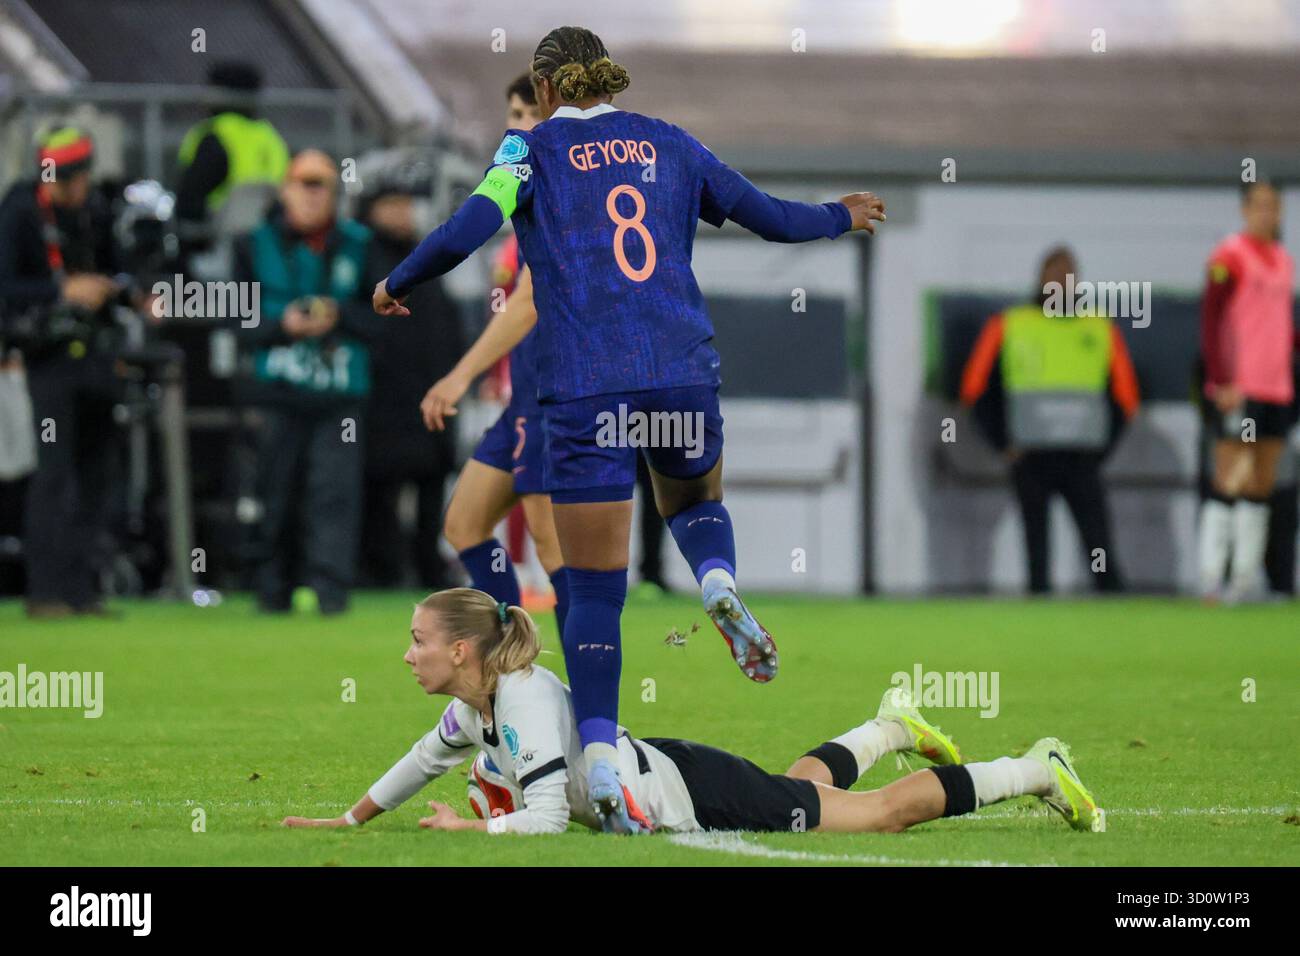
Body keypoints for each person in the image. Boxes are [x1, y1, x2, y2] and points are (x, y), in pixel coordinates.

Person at [373, 26, 885, 832]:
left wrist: (399, 278)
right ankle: (716, 579)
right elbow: (770, 216)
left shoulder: (527, 152)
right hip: (682, 370)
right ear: (606, 81)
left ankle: (602, 759)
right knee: (688, 503)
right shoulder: (671, 143)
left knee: (596, 587)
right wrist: (838, 215)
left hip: (586, 389)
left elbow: (472, 226)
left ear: (544, 90)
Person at [281, 588, 1105, 836]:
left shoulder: (523, 697)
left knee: (880, 816)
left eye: (417, 640)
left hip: (690, 793)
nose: (407, 653)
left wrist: (476, 832)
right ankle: (892, 726)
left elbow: (541, 816)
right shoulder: (480, 703)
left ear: (462, 651)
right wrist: (346, 823)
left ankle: (1035, 768)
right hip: (672, 774)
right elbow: (421, 761)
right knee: (793, 790)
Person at [419, 74, 570, 635]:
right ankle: (513, 655)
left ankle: (593, 706)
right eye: (513, 114)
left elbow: (529, 304)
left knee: (554, 548)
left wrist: (460, 375)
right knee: (464, 524)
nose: (521, 126)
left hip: (557, 397)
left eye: (532, 114)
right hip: (523, 394)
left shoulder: (560, 204)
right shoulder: (519, 216)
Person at [235, 149, 388, 614]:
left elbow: (386, 318)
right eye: (304, 183)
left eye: (321, 184)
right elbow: (234, 318)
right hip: (278, 391)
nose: (312, 194)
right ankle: (271, 589)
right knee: (273, 491)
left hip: (340, 393)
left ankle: (330, 593)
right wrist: (284, 325)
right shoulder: (251, 243)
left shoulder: (362, 244)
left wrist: (340, 316)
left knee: (335, 495)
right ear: (285, 189)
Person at [0, 126, 128, 617]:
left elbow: (119, 270)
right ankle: (45, 591)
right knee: (54, 474)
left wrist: (117, 288)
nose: (68, 191)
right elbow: (7, 288)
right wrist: (63, 292)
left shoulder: (96, 210)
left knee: (96, 472)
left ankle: (82, 590)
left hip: (96, 352)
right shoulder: (18, 211)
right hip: (47, 356)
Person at [960, 246, 1140, 594]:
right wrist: (1003, 444)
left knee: (1098, 541)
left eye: (1068, 273)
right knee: (1036, 544)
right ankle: (1039, 610)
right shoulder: (1010, 324)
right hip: (1029, 455)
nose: (1060, 280)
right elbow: (974, 391)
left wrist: (1102, 447)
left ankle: (1115, 605)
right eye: (1053, 273)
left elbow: (1127, 398)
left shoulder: (1099, 326)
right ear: (1040, 278)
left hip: (1082, 457)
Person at [356, 159, 463, 589]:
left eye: (407, 205)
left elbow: (446, 324)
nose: (402, 214)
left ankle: (427, 569)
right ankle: (379, 570)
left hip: (430, 394)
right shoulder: (362, 258)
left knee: (431, 488)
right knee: (378, 489)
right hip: (382, 400)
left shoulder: (426, 258)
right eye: (392, 205)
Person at [1197, 180, 1298, 602]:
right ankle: (1210, 578)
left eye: (1273, 205)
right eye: (1258, 205)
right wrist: (1221, 379)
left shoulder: (1283, 260)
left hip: (1276, 387)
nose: (1267, 213)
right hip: (1239, 387)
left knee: (1262, 481)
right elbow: (1211, 318)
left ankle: (1244, 579)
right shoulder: (1229, 257)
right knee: (1230, 477)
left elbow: (1279, 326)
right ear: (1244, 210)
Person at [176, 61, 290, 249]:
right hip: (271, 244)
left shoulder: (215, 133)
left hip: (221, 245)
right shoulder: (272, 138)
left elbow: (188, 202)